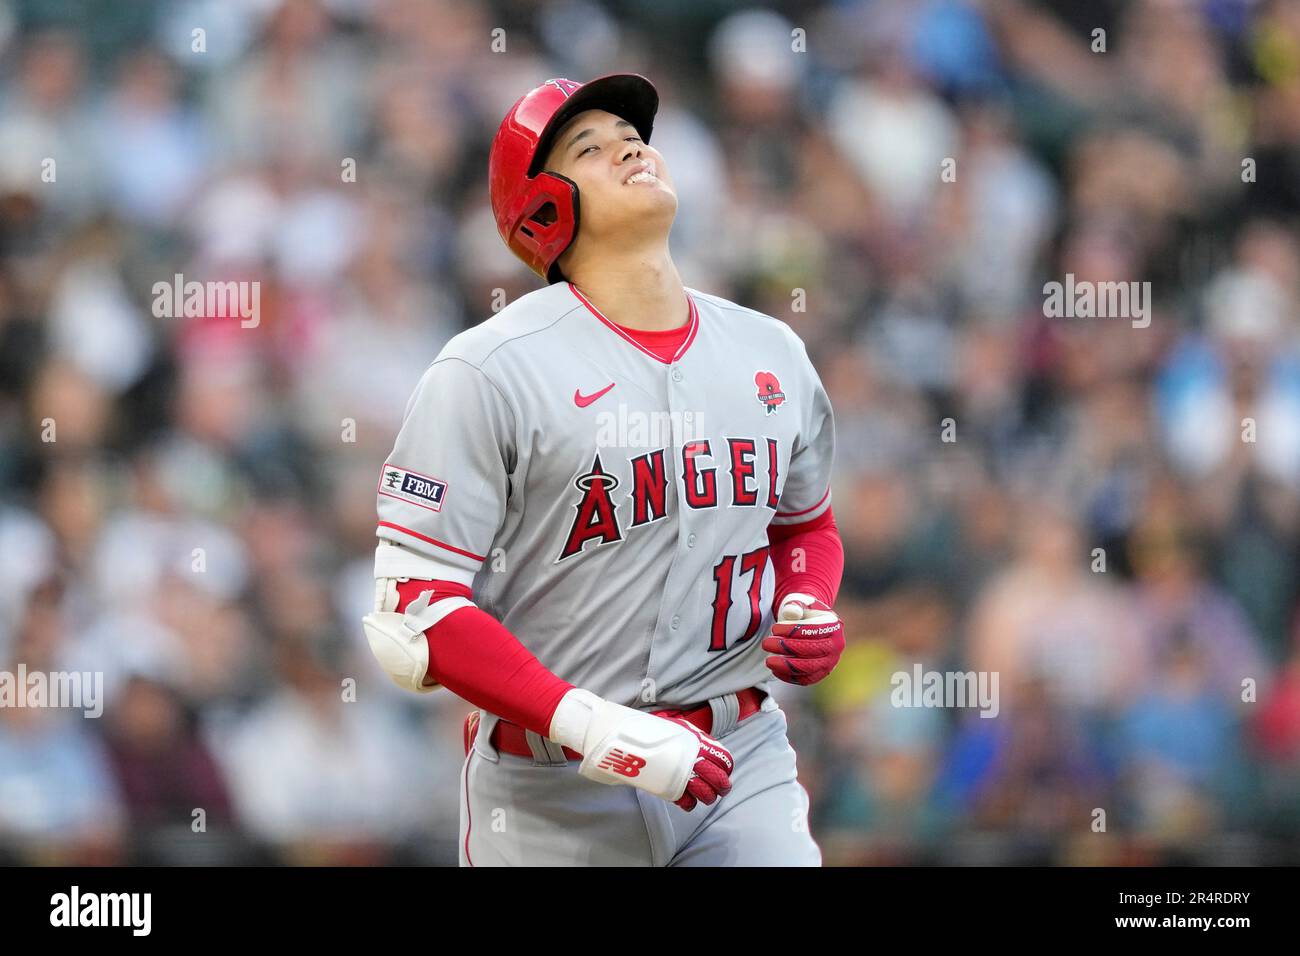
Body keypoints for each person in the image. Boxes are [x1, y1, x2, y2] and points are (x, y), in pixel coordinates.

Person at [362, 74, 845, 866]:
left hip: (739, 763)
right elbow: (411, 611)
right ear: (543, 209)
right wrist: (593, 725)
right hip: (550, 793)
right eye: (588, 147)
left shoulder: (771, 352)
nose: (627, 146)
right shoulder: (488, 368)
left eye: (632, 135)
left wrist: (805, 601)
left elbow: (805, 525)